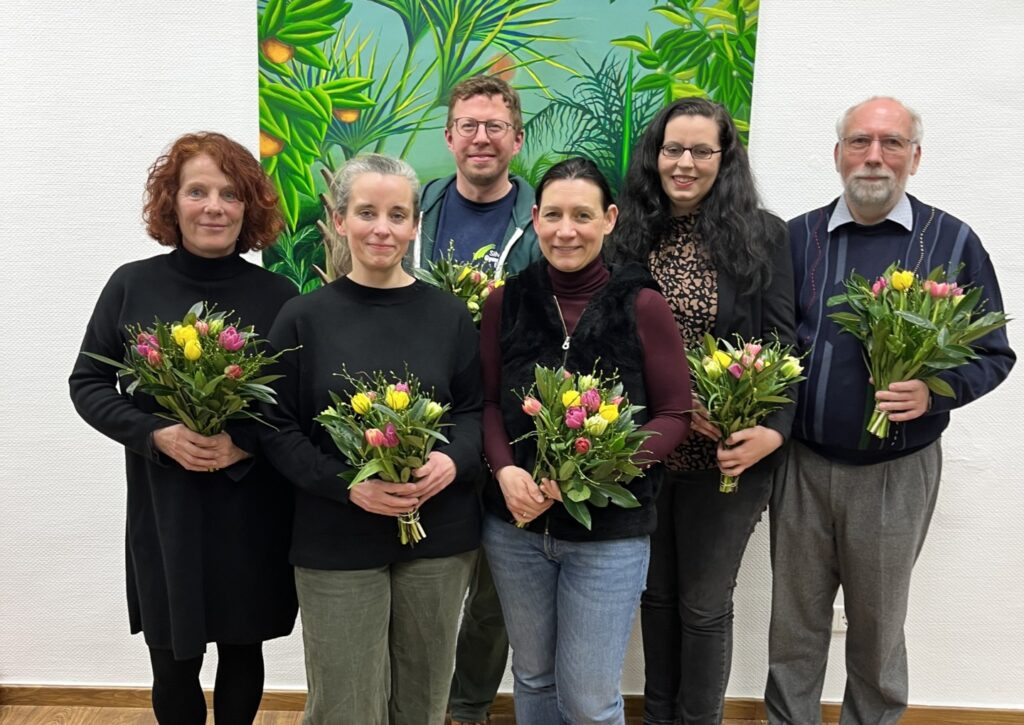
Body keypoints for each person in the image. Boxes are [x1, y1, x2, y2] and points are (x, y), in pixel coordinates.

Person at [765, 96, 1015, 725]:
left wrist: (936, 392)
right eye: (860, 142)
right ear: (837, 154)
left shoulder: (952, 241)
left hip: (896, 471)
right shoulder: (795, 238)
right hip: (801, 465)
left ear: (915, 158)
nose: (874, 156)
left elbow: (994, 352)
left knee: (878, 630)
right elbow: (766, 344)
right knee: (793, 626)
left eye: (891, 143)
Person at [69, 132, 298, 724]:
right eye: (197, 191)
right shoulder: (131, 284)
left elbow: (296, 402)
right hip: (163, 504)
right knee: (171, 659)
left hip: (249, 506)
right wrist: (155, 434)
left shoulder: (280, 295)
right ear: (172, 202)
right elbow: (88, 383)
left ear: (249, 207)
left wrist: (241, 443)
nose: (213, 207)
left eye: (229, 194)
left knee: (243, 648)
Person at [259, 153, 483, 724]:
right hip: (335, 534)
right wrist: (348, 486)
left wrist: (451, 463)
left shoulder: (450, 315)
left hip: (436, 533)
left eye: (397, 214)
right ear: (339, 221)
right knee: (346, 705)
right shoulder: (302, 316)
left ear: (413, 226)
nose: (382, 228)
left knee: (423, 701)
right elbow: (276, 428)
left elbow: (476, 410)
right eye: (366, 212)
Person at [479, 157, 691, 724]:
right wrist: (504, 472)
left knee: (590, 700)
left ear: (610, 219)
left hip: (609, 537)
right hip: (517, 529)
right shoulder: (507, 301)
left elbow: (675, 412)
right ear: (535, 218)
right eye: (553, 215)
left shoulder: (642, 303)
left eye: (581, 215)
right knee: (533, 677)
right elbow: (489, 404)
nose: (565, 229)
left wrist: (603, 464)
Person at [611, 97, 795, 725]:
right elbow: (608, 341)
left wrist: (770, 431)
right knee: (655, 598)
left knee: (703, 603)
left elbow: (784, 346)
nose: (684, 163)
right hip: (645, 452)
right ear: (655, 155)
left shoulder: (763, 235)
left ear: (725, 158)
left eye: (701, 151)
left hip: (727, 456)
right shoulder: (626, 233)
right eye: (672, 149)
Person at [416, 74, 542, 725]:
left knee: (494, 592)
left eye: (495, 126)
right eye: (468, 124)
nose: (481, 137)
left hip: (506, 427)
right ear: (449, 136)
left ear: (516, 139)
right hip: (420, 426)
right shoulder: (417, 208)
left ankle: (465, 709)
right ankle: (416, 704)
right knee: (423, 583)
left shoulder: (540, 219)